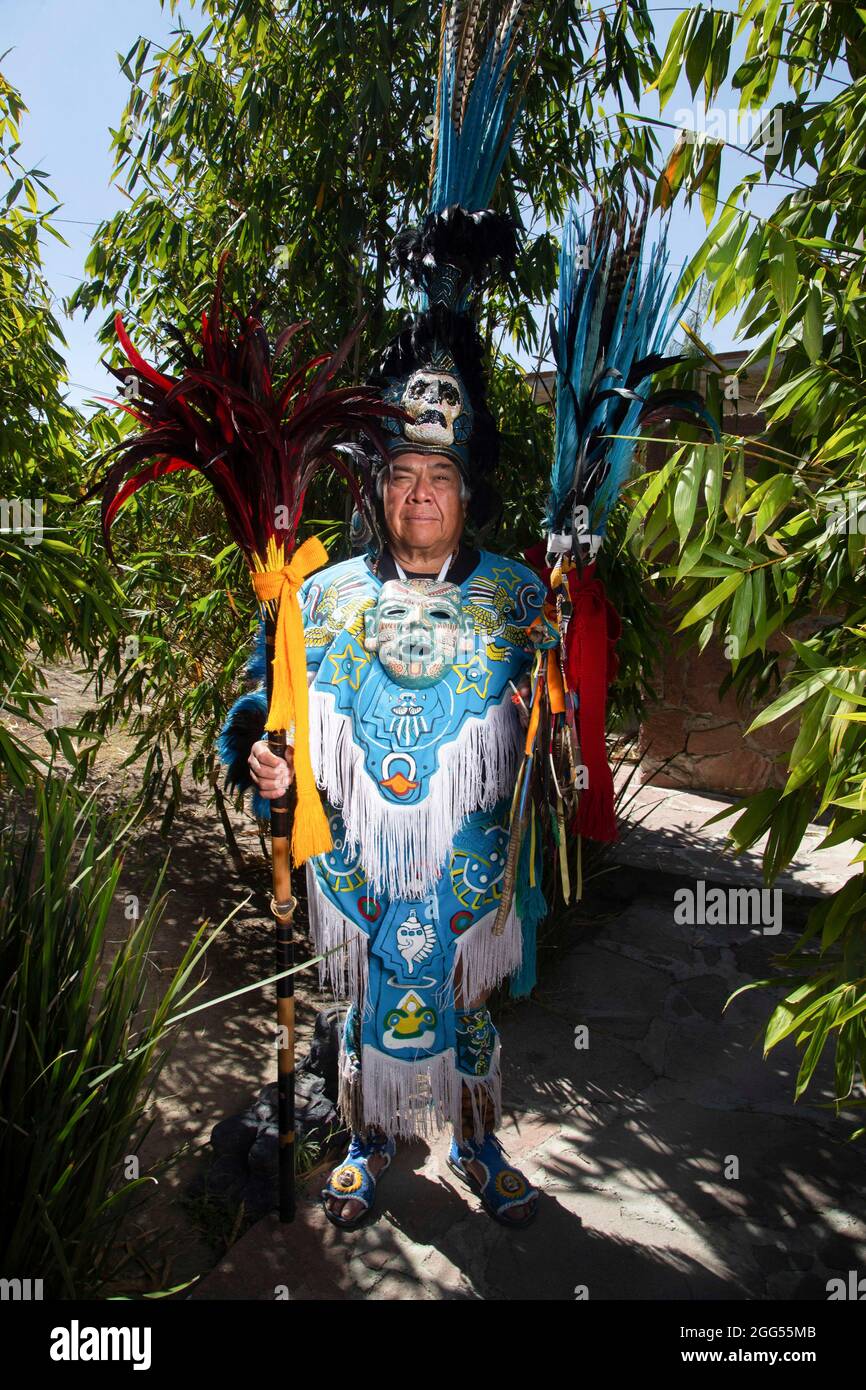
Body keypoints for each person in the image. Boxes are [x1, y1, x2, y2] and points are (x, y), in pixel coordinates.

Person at [218, 0, 551, 1229]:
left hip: (467, 859)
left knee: (465, 1001)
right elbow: (265, 705)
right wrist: (256, 756)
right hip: (358, 859)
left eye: (439, 478)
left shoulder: (518, 596)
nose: (417, 496)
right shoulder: (320, 594)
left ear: (467, 485)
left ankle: (474, 1142)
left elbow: (557, 746)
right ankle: (363, 1140)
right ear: (377, 487)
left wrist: (546, 713)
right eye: (401, 478)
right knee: (360, 986)